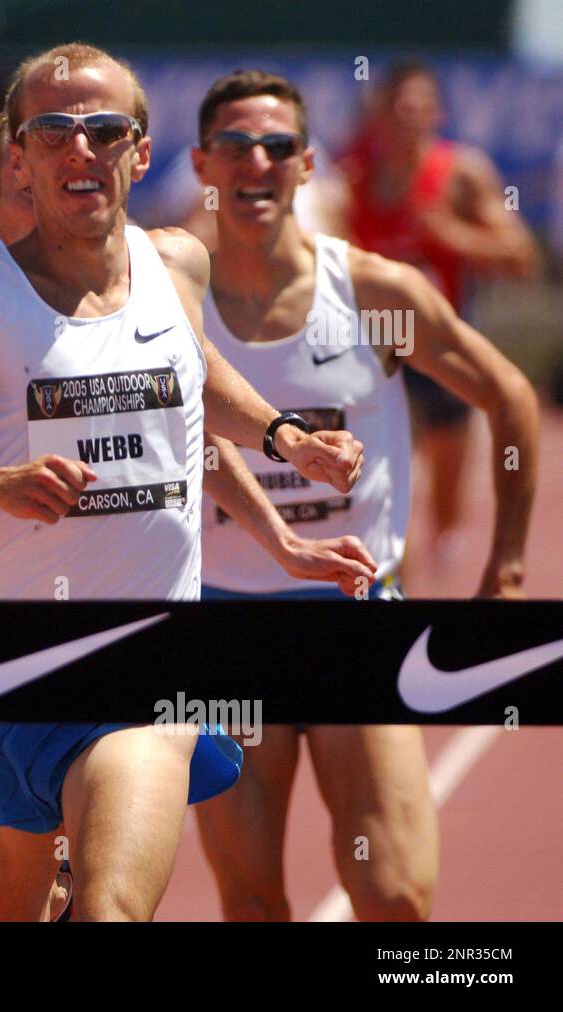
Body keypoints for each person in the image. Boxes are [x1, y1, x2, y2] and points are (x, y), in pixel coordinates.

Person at [0, 44, 364, 921]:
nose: (80, 148)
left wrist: (284, 439)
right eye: (53, 131)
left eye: (104, 129)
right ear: (18, 155)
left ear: (142, 148)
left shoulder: (176, 267)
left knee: (111, 909)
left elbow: (190, 383)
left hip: (146, 674)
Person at [191, 69, 539, 920]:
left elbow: (511, 396)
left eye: (277, 146)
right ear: (203, 163)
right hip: (222, 622)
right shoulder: (174, 304)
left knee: (394, 896)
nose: (256, 163)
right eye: (235, 145)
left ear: (308, 165)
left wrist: (507, 569)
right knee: (251, 899)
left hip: (355, 616)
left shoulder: (371, 292)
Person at [340, 59, 538, 570]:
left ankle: (445, 565)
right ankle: (394, 577)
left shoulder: (460, 173)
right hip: (378, 350)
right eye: (399, 107)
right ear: (379, 113)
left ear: (438, 113)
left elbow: (520, 255)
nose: (410, 118)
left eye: (421, 107)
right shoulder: (351, 179)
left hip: (443, 346)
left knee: (446, 500)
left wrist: (454, 235)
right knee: (383, 486)